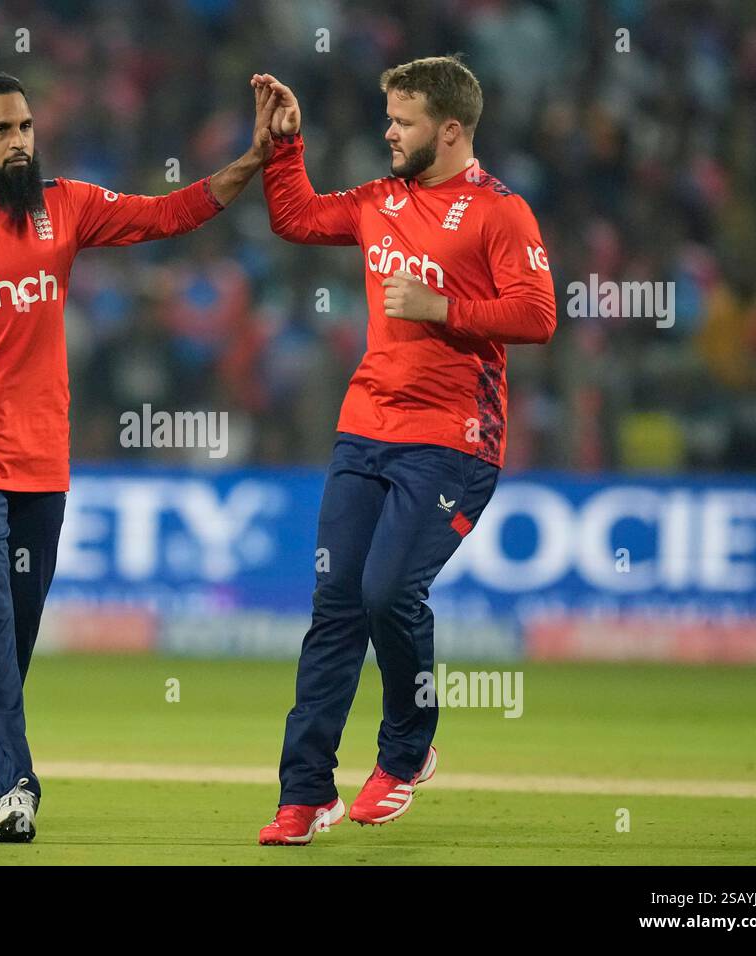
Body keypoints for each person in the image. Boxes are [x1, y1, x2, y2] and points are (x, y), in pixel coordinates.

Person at [0, 72, 275, 843]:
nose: (20, 142)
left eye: (26, 127)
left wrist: (255, 158)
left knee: (20, 625)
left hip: (41, 452)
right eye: (1, 131)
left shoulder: (63, 206)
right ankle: (14, 785)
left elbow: (167, 214)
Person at [251, 57, 556, 845]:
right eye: (389, 116)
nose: (389, 130)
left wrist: (441, 307)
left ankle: (408, 751)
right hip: (364, 428)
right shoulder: (380, 199)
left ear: (450, 130)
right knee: (336, 607)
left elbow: (537, 315)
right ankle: (304, 791)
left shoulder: (502, 213)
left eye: (405, 120)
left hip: (454, 442)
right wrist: (285, 147)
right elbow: (297, 218)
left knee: (389, 594)